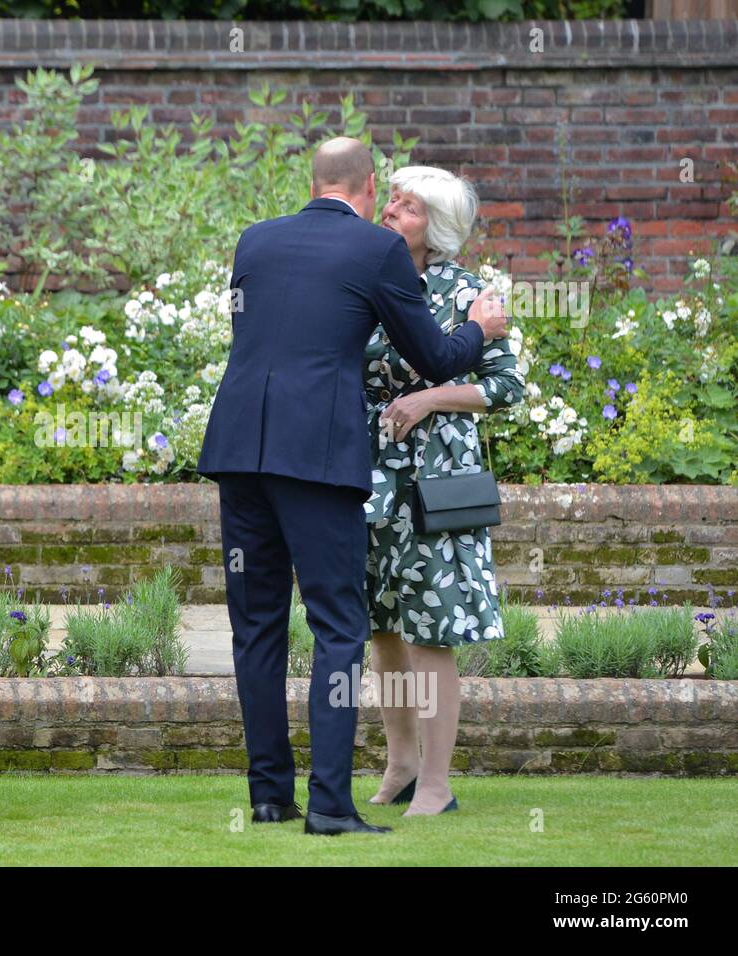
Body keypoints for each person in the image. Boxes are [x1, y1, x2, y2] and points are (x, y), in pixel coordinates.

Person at [196, 137, 508, 836]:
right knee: (339, 626)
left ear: (314, 181)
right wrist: (478, 330)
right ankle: (332, 805)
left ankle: (271, 797)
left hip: (240, 448)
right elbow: (433, 356)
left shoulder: (257, 241)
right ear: (367, 185)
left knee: (258, 629)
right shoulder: (377, 251)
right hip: (317, 456)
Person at [365, 166, 526, 816]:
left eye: (407, 206)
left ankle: (436, 783)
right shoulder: (368, 282)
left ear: (439, 227)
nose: (392, 208)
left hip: (437, 482)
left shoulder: (467, 292)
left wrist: (431, 397)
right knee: (379, 628)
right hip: (369, 476)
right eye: (393, 198)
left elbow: (505, 387)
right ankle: (400, 764)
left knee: (433, 630)